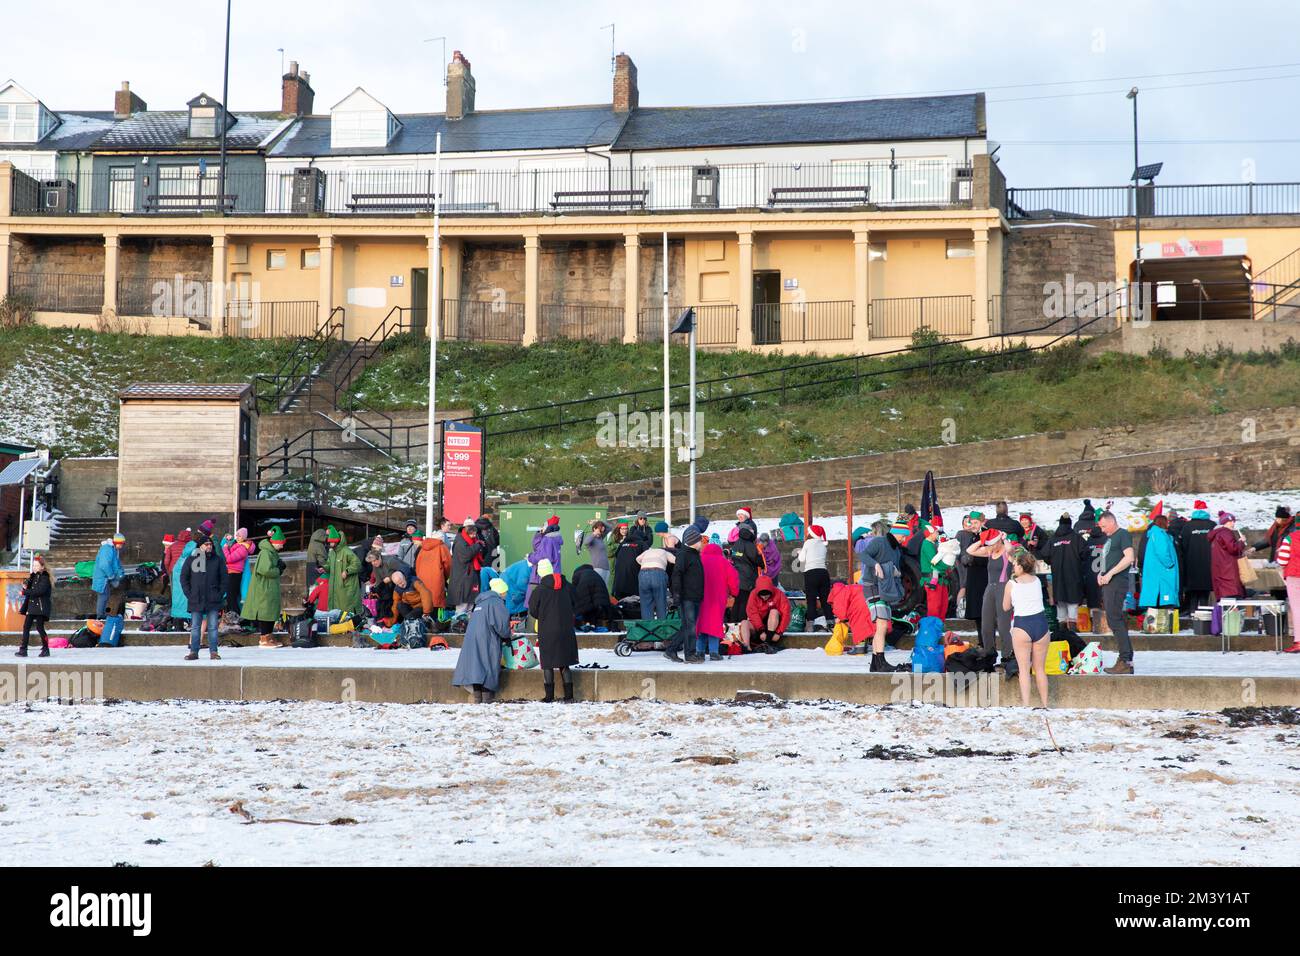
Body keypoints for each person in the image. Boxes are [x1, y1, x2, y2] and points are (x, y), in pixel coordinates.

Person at [854, 521, 906, 672]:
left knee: (881, 626)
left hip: (884, 588)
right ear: (895, 532)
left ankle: (876, 663)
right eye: (902, 536)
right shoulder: (879, 542)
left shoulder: (897, 550)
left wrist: (896, 572)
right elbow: (863, 555)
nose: (903, 539)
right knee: (882, 625)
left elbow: (894, 567)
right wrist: (876, 565)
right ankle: (881, 661)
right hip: (872, 586)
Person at [1002, 548, 1051, 708]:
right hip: (1041, 624)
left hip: (1022, 624)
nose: (1013, 567)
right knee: (1040, 670)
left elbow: (1005, 607)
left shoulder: (1011, 584)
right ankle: (1045, 704)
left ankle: (1026, 704)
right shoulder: (1036, 581)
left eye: (1015, 565)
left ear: (1021, 567)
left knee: (1024, 670)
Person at [453, 577, 512, 703]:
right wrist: (507, 636)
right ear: (501, 592)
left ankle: (477, 699)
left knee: (476, 667)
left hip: (473, 639)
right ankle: (486, 700)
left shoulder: (480, 603)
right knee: (488, 666)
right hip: (487, 640)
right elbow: (501, 625)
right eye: (505, 592)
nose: (506, 595)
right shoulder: (496, 603)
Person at [527, 559, 579, 702]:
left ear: (540, 573)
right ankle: (569, 696)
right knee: (565, 663)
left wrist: (543, 616)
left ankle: (549, 697)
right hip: (566, 629)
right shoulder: (566, 585)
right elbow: (576, 601)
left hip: (547, 630)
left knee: (548, 663)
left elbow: (533, 610)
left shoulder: (539, 590)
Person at [967, 527, 1017, 677]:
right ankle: (989, 654)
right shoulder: (989, 551)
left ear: (998, 541)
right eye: (988, 544)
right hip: (990, 589)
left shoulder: (1006, 552)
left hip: (1004, 588)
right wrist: (982, 541)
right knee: (986, 625)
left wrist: (1003, 537)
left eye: (992, 544)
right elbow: (970, 550)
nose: (990, 547)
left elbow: (1010, 549)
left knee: (1003, 626)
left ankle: (1008, 656)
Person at [1097, 511, 1137, 675]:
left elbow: (1129, 557)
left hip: (1116, 582)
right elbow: (1109, 559)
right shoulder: (1110, 538)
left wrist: (1110, 574)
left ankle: (1125, 660)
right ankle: (1125, 658)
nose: (1103, 530)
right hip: (1108, 582)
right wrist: (1101, 573)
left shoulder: (1123, 534)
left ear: (1112, 521)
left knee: (1115, 620)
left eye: (1104, 526)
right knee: (1114, 619)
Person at [181, 534, 226, 661]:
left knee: (212, 627)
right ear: (200, 546)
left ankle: (213, 652)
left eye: (210, 544)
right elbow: (184, 577)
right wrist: (189, 593)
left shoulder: (217, 560)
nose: (209, 546)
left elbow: (224, 579)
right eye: (206, 544)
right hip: (196, 598)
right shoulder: (192, 559)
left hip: (213, 599)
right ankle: (194, 652)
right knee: (195, 627)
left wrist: (219, 593)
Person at [665, 526, 706, 662]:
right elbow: (677, 574)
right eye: (700, 541)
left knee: (687, 626)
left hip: (695, 596)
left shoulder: (694, 555)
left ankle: (671, 650)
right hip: (687, 597)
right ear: (695, 541)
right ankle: (690, 654)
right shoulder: (684, 554)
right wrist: (676, 594)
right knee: (690, 627)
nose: (702, 543)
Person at [242, 526, 287, 647]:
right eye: (281, 544)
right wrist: (278, 569)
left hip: (270, 587)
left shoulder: (272, 553)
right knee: (265, 612)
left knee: (271, 612)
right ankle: (264, 639)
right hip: (264, 588)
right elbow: (265, 570)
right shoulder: (266, 553)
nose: (282, 546)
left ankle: (269, 637)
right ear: (275, 543)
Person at [697, 541, 738, 661]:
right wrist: (734, 593)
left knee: (701, 623)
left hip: (700, 597)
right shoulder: (724, 562)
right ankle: (714, 652)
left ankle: (699, 651)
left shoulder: (699, 560)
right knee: (714, 623)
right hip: (717, 598)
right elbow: (733, 579)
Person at [1048, 514, 1089, 631]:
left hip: (1058, 579)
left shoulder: (1053, 539)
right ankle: (1072, 632)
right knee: (1072, 604)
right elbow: (1085, 554)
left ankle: (1062, 632)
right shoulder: (1077, 538)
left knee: (1060, 605)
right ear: (1070, 524)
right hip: (1074, 577)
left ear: (1060, 524)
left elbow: (1045, 554)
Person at [1138, 506, 1180, 611]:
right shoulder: (1160, 534)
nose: (1169, 524)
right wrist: (1170, 564)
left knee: (1155, 600)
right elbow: (1162, 552)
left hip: (1157, 571)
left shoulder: (1153, 534)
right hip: (1162, 571)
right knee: (1163, 599)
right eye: (1167, 522)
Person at [1179, 499, 1216, 613]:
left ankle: (1192, 614)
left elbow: (1182, 546)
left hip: (1191, 565)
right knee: (1205, 593)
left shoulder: (1187, 526)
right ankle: (1205, 616)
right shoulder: (1212, 525)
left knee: (1193, 593)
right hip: (1208, 565)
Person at [741, 575, 790, 653]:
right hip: (759, 628)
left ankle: (768, 643)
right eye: (762, 595)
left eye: (766, 595)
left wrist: (779, 632)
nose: (764, 597)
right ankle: (747, 647)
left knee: (774, 612)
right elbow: (752, 613)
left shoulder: (779, 594)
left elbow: (786, 614)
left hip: (773, 630)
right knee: (744, 622)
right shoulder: (753, 595)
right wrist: (761, 631)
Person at [795, 524, 830, 631]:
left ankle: (811, 625)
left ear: (811, 533)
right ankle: (830, 621)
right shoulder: (823, 544)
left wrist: (800, 552)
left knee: (811, 600)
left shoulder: (808, 543)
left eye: (808, 532)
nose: (806, 533)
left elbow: (801, 559)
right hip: (823, 573)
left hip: (811, 573)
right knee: (825, 600)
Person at [17, 554, 52, 658]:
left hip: (41, 606)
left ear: (42, 567)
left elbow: (39, 591)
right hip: (32, 606)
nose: (34, 568)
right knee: (26, 627)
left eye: (36, 566)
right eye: (33, 566)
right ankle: (23, 649)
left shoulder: (45, 578)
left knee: (39, 628)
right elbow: (29, 586)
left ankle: (46, 649)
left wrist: (25, 592)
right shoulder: (34, 576)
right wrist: (26, 583)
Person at [958, 511, 987, 636]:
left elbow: (987, 556)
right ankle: (981, 642)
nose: (973, 525)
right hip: (973, 578)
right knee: (977, 615)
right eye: (972, 522)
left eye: (976, 522)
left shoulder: (986, 536)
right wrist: (965, 559)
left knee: (984, 614)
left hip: (983, 578)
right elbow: (966, 554)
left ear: (982, 522)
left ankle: (986, 644)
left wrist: (973, 559)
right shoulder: (973, 537)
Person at [324, 527, 363, 619]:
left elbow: (357, 563)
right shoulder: (332, 553)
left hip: (346, 586)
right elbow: (329, 565)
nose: (330, 544)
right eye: (329, 542)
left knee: (346, 606)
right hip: (335, 586)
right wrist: (324, 568)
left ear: (336, 541)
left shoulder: (346, 551)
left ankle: (349, 623)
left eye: (331, 542)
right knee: (336, 607)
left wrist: (347, 571)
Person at [1208, 511, 1248, 601]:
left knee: (1224, 598)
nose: (1233, 523)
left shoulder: (1216, 534)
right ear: (1224, 522)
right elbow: (1233, 548)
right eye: (1231, 521)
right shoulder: (1226, 532)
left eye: (1233, 521)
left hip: (1220, 569)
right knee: (1232, 597)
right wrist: (1241, 542)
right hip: (1228, 570)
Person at [728, 524, 763, 624]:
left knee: (737, 602)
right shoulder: (750, 545)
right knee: (744, 602)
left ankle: (732, 624)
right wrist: (761, 563)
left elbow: (735, 556)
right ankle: (741, 625)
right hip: (748, 577)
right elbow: (755, 559)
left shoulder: (736, 544)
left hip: (737, 577)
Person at [635, 536, 675, 621]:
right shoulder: (664, 552)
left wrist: (646, 564)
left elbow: (637, 559)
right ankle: (661, 627)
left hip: (643, 574)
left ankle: (648, 629)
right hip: (658, 573)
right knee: (660, 601)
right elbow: (675, 560)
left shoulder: (647, 551)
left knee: (646, 603)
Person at [918, 520, 952, 620]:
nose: (938, 533)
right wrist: (947, 566)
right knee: (934, 607)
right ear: (930, 533)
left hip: (941, 580)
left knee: (943, 605)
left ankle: (939, 628)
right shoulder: (927, 544)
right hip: (932, 581)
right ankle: (932, 629)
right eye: (936, 532)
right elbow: (934, 561)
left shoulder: (935, 543)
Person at [451, 519, 486, 613]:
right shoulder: (460, 541)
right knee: (463, 605)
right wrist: (478, 545)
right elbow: (466, 555)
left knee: (470, 603)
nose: (474, 536)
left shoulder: (470, 540)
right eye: (473, 534)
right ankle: (458, 625)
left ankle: (467, 625)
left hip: (470, 576)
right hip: (464, 576)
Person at [414, 530, 452, 617]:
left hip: (422, 579)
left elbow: (417, 564)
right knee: (436, 601)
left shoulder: (423, 548)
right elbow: (448, 565)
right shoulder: (442, 547)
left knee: (425, 600)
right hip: (436, 578)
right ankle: (435, 624)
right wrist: (446, 577)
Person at [526, 515, 564, 602]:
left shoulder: (548, 540)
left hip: (545, 577)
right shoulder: (553, 539)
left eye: (543, 525)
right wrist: (539, 534)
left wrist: (530, 557)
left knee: (538, 602)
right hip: (554, 575)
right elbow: (537, 547)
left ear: (548, 527)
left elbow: (542, 557)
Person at [91, 533, 126, 619]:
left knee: (105, 596)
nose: (122, 546)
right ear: (117, 542)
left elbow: (115, 564)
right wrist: (111, 575)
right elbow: (104, 565)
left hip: (104, 578)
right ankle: (100, 616)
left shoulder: (112, 549)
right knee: (103, 596)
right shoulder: (107, 549)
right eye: (121, 544)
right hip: (102, 578)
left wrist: (120, 573)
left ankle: (102, 614)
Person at [1278, 522, 1300, 653]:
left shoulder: (1290, 538)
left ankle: (1299, 642)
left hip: (1295, 576)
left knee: (1297, 609)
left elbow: (1282, 560)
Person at [571, 564, 614, 630]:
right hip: (597, 591)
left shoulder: (577, 574)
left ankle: (587, 623)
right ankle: (593, 624)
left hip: (584, 587)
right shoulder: (594, 573)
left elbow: (574, 588)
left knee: (585, 605)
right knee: (594, 606)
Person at [221, 528, 253, 617]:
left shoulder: (243, 548)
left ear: (244, 537)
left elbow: (228, 559)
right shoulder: (237, 545)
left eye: (239, 536)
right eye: (237, 535)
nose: (237, 537)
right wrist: (226, 540)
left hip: (234, 574)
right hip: (230, 573)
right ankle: (233, 617)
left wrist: (226, 548)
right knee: (230, 597)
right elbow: (223, 548)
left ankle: (235, 617)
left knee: (231, 597)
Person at [169, 531, 195, 625]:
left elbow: (167, 559)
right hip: (187, 575)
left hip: (174, 572)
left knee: (176, 598)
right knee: (186, 598)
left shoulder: (174, 546)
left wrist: (168, 571)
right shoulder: (192, 549)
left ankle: (177, 623)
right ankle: (188, 621)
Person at [580, 520, 611, 585]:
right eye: (600, 530)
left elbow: (609, 528)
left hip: (606, 567)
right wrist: (594, 533)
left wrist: (599, 521)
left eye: (602, 530)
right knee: (598, 587)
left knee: (604, 588)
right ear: (594, 529)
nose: (601, 532)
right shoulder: (592, 538)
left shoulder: (601, 538)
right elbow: (586, 542)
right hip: (597, 567)